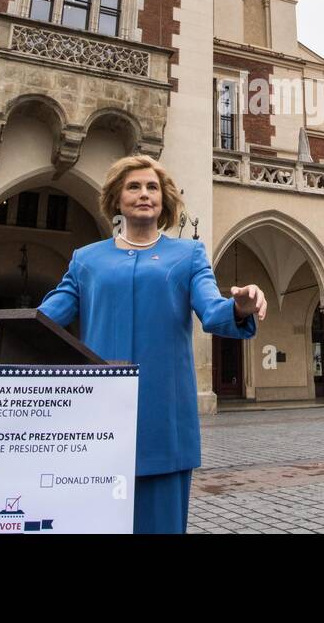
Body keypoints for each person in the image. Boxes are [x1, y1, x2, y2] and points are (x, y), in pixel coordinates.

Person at [39, 155, 267, 534]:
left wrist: (239, 306)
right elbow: (46, 319)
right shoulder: (87, 260)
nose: (144, 194)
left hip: (165, 416)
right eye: (133, 186)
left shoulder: (188, 254)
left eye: (152, 187)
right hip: (99, 415)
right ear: (116, 199)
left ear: (164, 200)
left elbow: (212, 312)